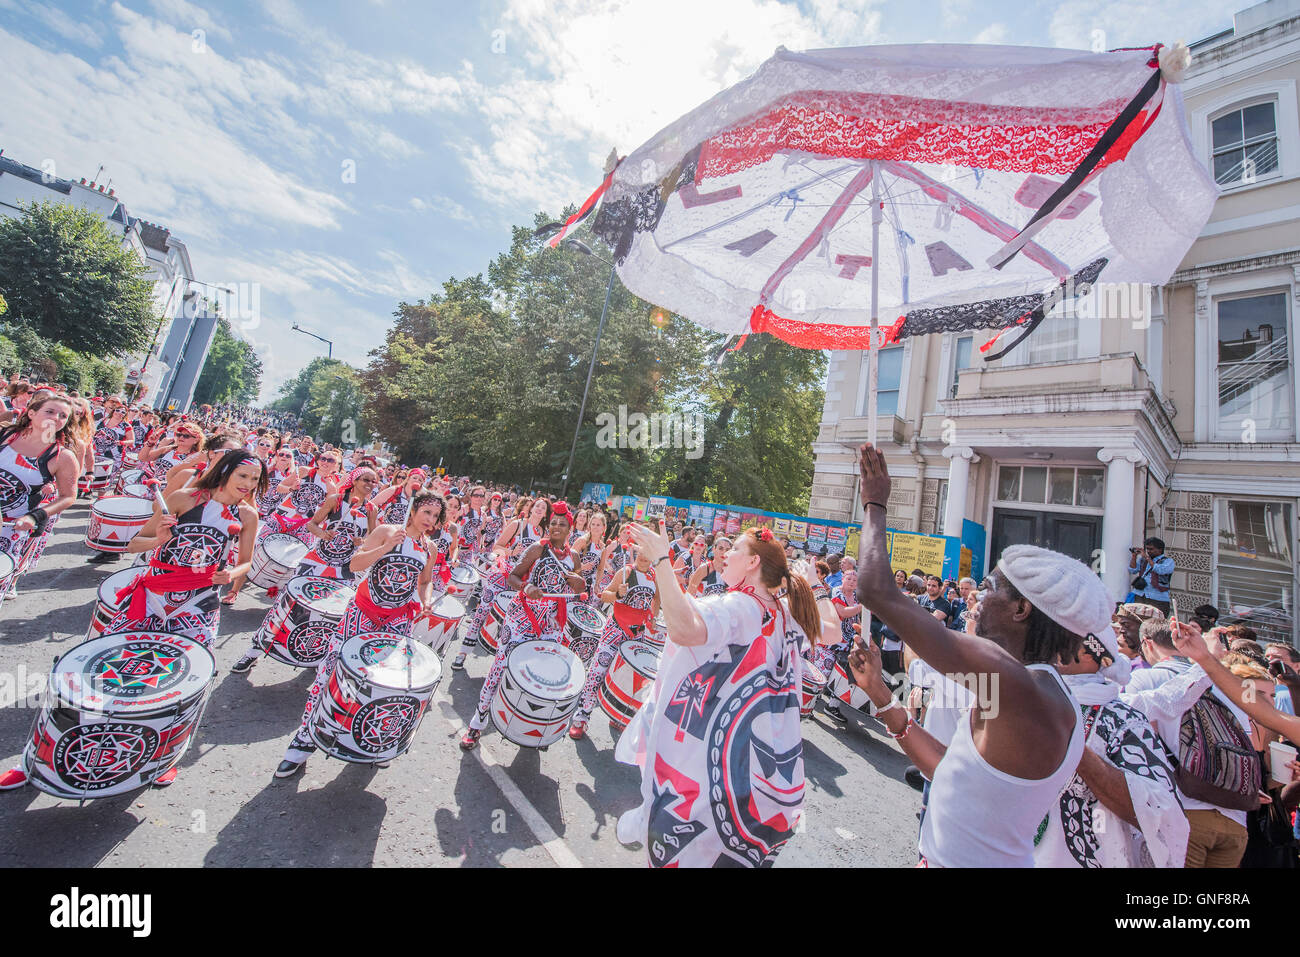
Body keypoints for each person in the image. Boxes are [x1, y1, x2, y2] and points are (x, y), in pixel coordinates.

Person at [844, 443, 1084, 868]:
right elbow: (945, 769)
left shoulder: (1017, 684)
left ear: (1021, 610)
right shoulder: (1027, 688)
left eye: (991, 589)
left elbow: (874, 590)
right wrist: (880, 693)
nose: (976, 597)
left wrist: (875, 501)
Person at [612, 523, 821, 867]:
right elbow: (825, 628)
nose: (724, 555)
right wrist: (810, 582)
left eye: (734, 549)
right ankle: (647, 813)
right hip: (762, 782)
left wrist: (663, 559)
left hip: (716, 778)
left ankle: (648, 814)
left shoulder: (742, 606)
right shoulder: (782, 611)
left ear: (753, 562)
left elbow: (683, 629)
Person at [271, 492, 443, 775]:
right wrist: (387, 546)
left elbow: (425, 581)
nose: (430, 520)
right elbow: (355, 564)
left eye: (435, 516)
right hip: (363, 611)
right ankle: (305, 738)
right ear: (413, 511)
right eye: (426, 512)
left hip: (398, 620)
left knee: (387, 680)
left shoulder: (429, 548)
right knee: (332, 671)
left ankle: (371, 743)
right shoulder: (387, 531)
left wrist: (425, 600)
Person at [459, 502, 586, 750]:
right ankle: (477, 723)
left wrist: (578, 580)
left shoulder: (574, 557)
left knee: (542, 674)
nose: (556, 527)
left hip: (551, 623)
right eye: (553, 523)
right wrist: (526, 587)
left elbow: (579, 589)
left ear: (570, 529)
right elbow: (513, 576)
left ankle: (533, 729)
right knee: (500, 666)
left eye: (562, 524)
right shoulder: (537, 548)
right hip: (522, 616)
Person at [568, 539, 660, 740]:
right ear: (636, 552)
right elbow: (604, 595)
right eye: (641, 551)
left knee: (627, 679)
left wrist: (652, 617)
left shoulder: (655, 577)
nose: (644, 556)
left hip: (636, 635)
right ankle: (582, 716)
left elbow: (657, 599)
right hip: (615, 629)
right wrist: (618, 593)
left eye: (648, 551)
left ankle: (617, 715)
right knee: (597, 671)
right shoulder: (625, 572)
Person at [0, 393, 82, 599]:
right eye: (50, 411)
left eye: (63, 416)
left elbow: (68, 496)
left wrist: (34, 517)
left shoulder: (62, 456)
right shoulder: (5, 435)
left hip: (10, 529)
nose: (56, 418)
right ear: (31, 413)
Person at [1125, 537, 1174, 615]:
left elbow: (1160, 570)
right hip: (1140, 595)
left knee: (1155, 623)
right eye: (1147, 549)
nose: (1148, 551)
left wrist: (1147, 558)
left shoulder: (1168, 561)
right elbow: (1132, 570)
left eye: (1151, 549)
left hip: (1157, 598)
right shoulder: (1143, 560)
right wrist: (1134, 556)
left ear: (1160, 550)